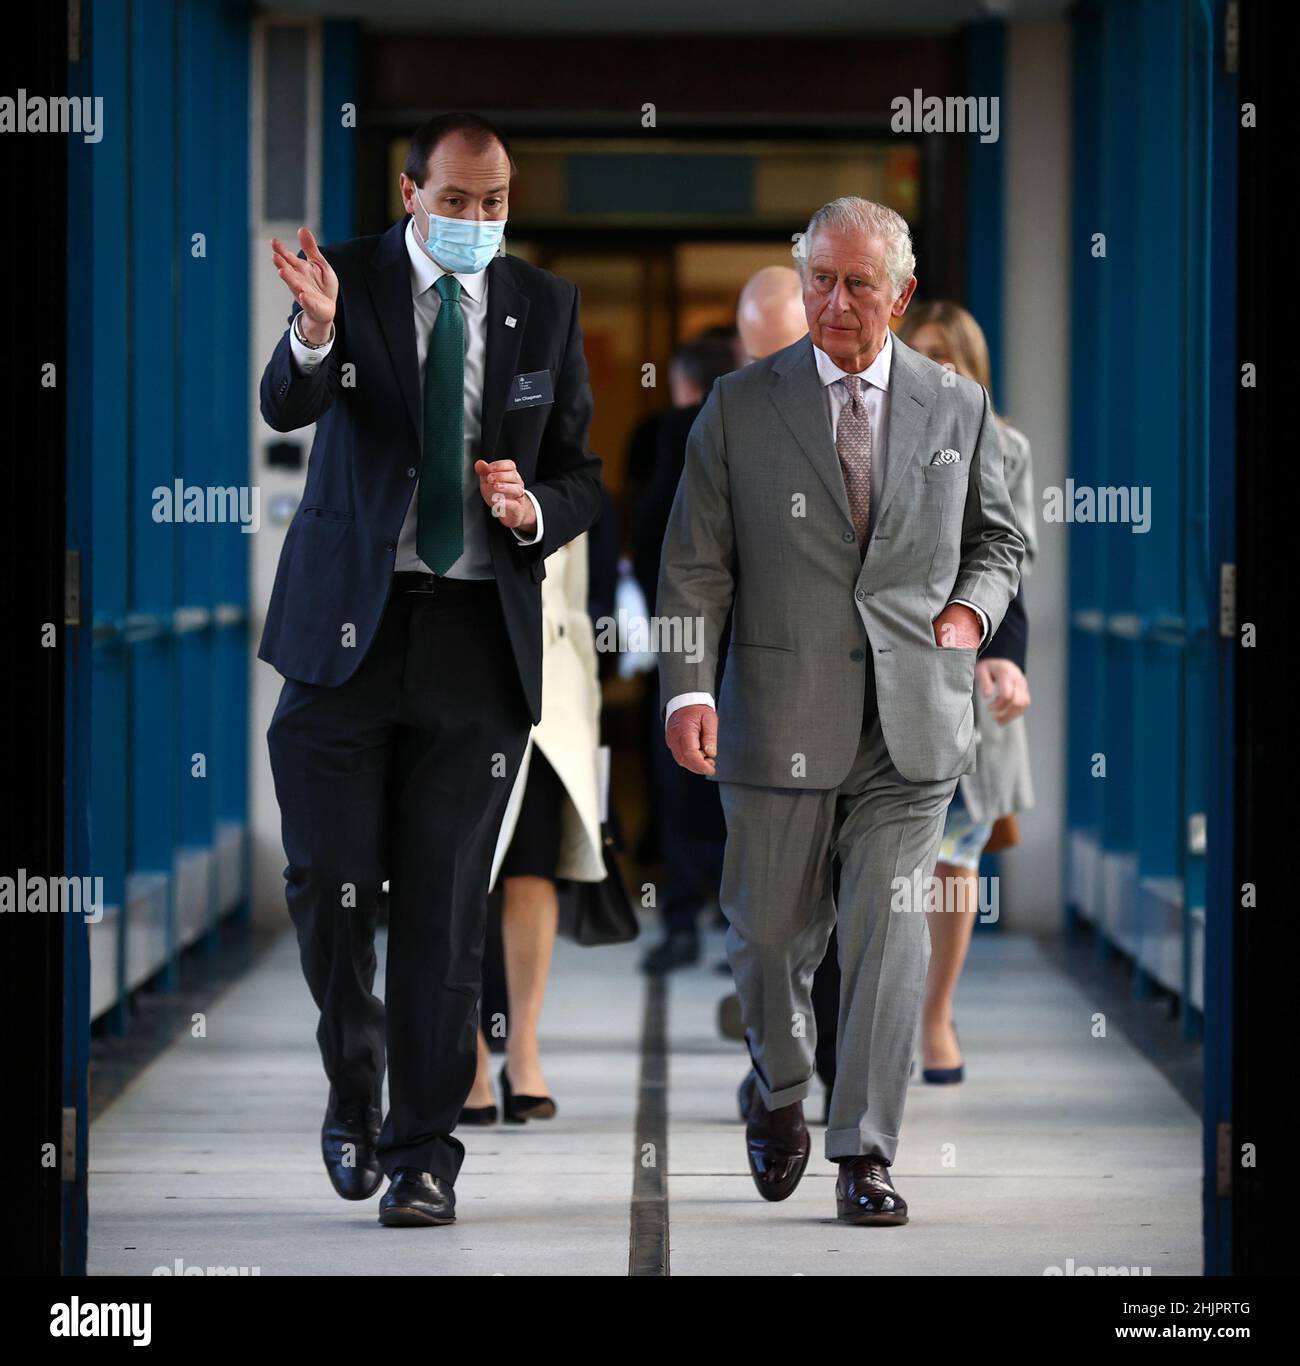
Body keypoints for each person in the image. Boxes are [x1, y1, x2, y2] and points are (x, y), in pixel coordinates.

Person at [259, 111, 602, 1229]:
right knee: (330, 892)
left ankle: (421, 1153)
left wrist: (531, 508)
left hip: (472, 635)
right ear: (412, 192)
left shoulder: (542, 305)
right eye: (454, 200)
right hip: (343, 639)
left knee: (447, 911)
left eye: (493, 203)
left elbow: (581, 475)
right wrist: (314, 336)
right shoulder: (343, 278)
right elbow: (286, 402)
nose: (474, 221)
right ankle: (353, 1089)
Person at [657, 197, 1023, 1226]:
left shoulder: (956, 406)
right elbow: (693, 570)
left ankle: (864, 1148)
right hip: (775, 712)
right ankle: (778, 1087)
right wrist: (688, 685)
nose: (833, 299)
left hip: (914, 721)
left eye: (858, 282)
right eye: (819, 277)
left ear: (899, 296)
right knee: (769, 935)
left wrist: (966, 615)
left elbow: (1000, 543)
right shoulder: (736, 407)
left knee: (887, 936)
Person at [899, 302, 1038, 1083]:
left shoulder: (1005, 446)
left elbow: (1013, 571)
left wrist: (1003, 658)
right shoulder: (877, 430)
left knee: (956, 854)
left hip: (971, 666)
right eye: (924, 353)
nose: (939, 369)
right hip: (892, 664)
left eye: (951, 357)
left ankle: (935, 1016)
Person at [461, 520, 612, 1125]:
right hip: (461, 692)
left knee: (533, 871)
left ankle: (522, 1048)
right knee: (459, 878)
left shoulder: (569, 479)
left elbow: (578, 610)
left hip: (552, 702)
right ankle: (467, 1053)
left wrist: (589, 717)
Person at [633, 334, 738, 973]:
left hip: (681, 639)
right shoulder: (768, 417)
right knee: (742, 787)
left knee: (677, 779)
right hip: (758, 646)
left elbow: (653, 536)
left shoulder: (672, 431)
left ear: (684, 384)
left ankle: (678, 921)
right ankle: (737, 924)